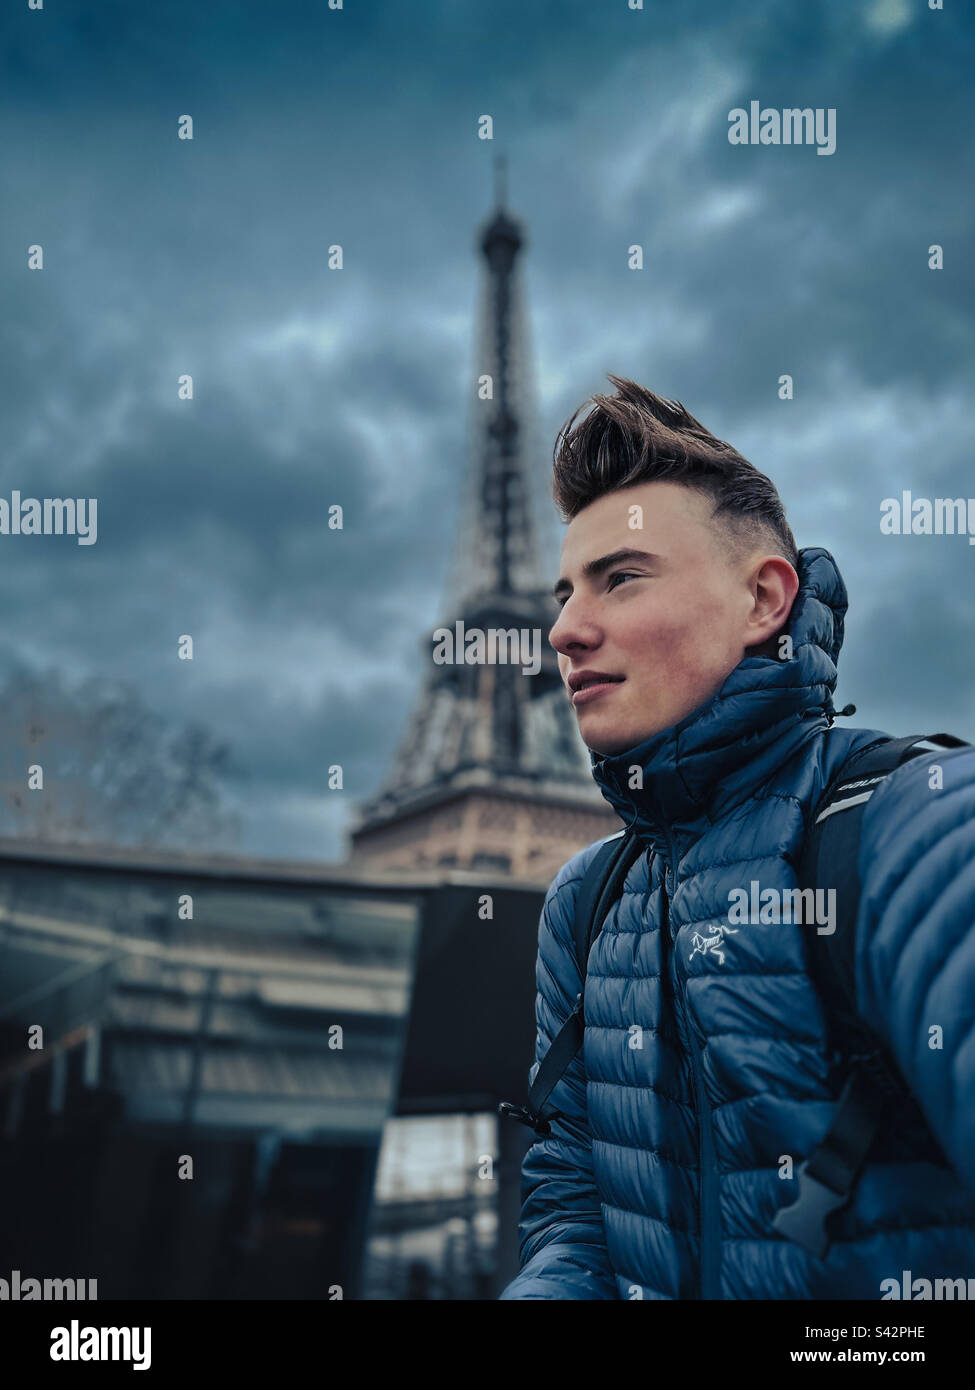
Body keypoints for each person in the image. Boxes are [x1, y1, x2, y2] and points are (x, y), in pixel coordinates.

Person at [499, 375, 975, 1300]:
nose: (561, 629)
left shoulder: (917, 824)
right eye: (563, 593)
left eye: (620, 578)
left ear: (764, 601)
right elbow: (577, 1201)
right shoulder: (585, 903)